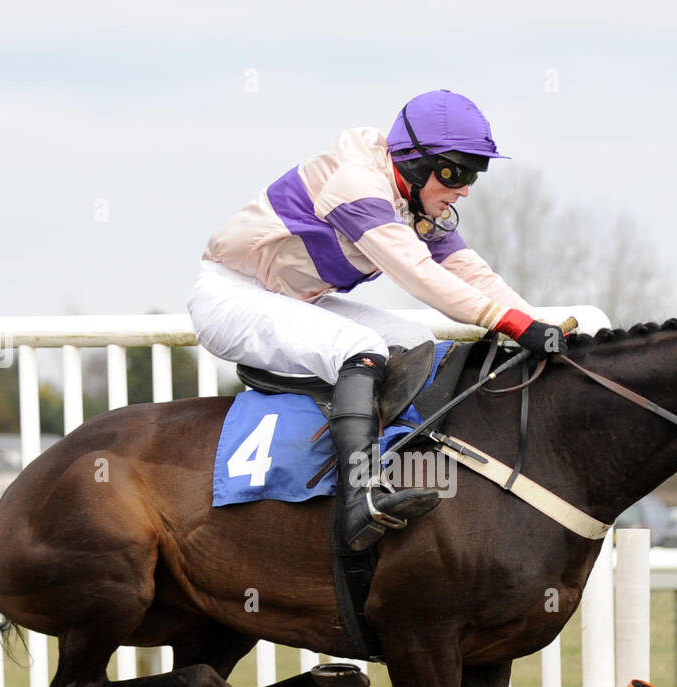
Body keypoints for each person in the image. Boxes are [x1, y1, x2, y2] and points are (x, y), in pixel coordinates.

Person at [188, 88, 563, 552]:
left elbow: (469, 271)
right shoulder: (357, 187)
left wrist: (540, 322)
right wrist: (513, 325)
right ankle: (356, 499)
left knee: (413, 339)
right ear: (414, 161)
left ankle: (393, 461)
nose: (464, 188)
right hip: (230, 297)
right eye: (456, 172)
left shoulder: (412, 199)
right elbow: (419, 274)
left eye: (474, 174)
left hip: (290, 299)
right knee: (359, 349)